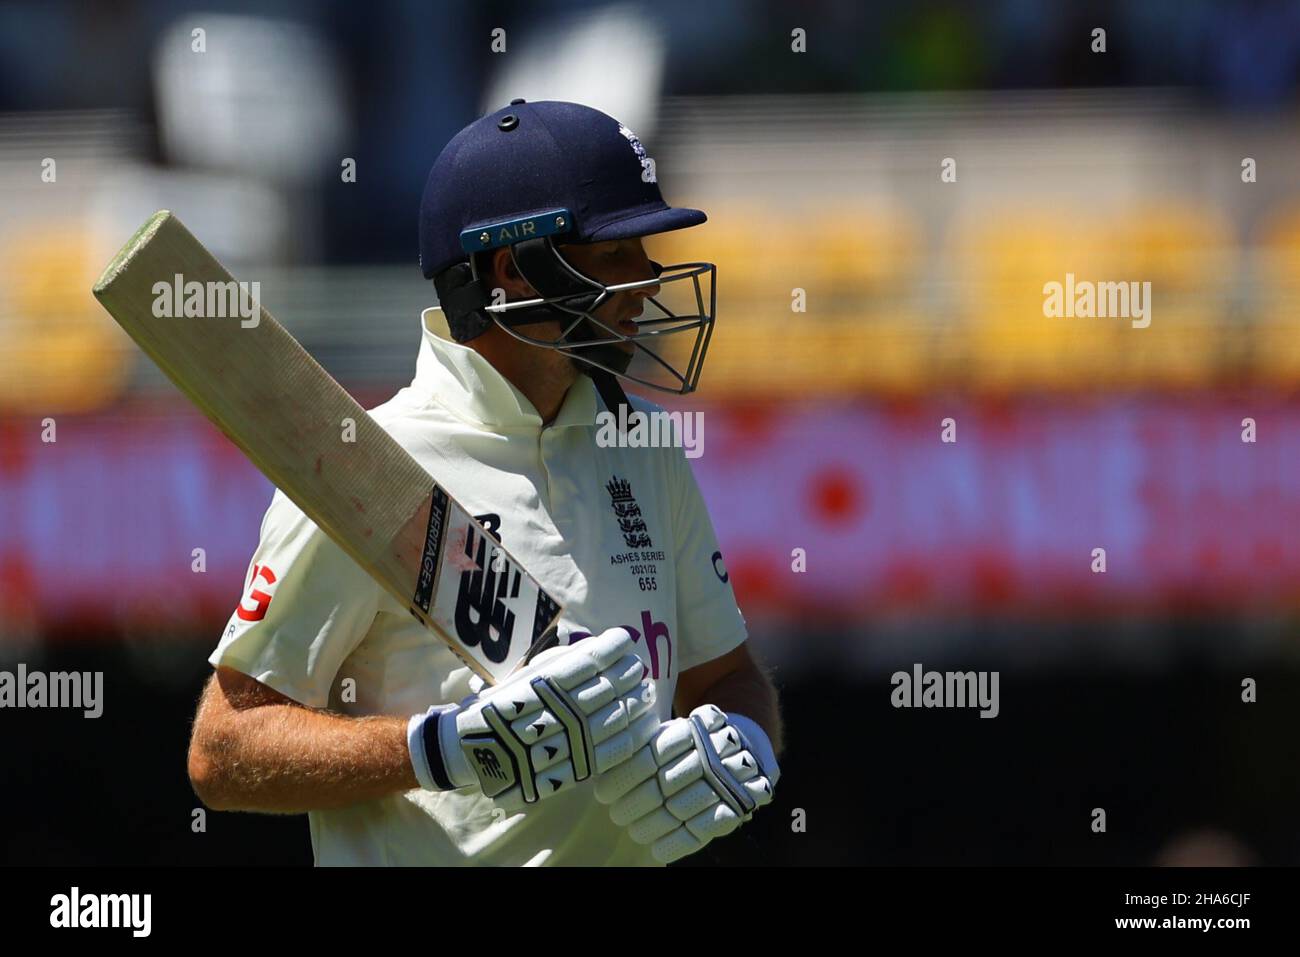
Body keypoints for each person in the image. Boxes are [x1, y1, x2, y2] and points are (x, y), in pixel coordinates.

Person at [186, 99, 783, 866]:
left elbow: (727, 672)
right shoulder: (371, 464)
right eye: (614, 257)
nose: (649, 281)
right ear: (510, 269)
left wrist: (743, 738)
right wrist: (438, 749)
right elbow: (224, 750)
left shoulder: (638, 440)